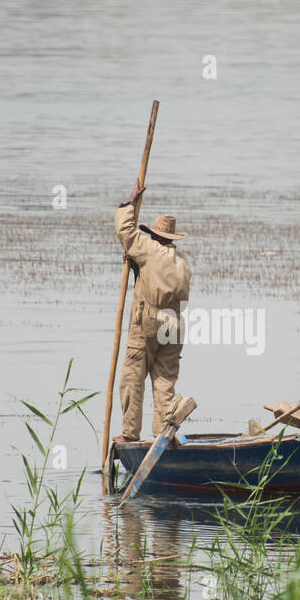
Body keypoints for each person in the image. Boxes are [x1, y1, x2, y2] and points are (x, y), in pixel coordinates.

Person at [114, 178, 191, 441]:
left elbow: (125, 230)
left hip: (148, 321)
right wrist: (137, 267)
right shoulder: (182, 262)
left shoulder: (149, 249)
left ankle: (130, 434)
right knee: (164, 382)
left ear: (156, 235)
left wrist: (131, 202)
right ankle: (163, 434)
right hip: (175, 325)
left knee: (133, 376)